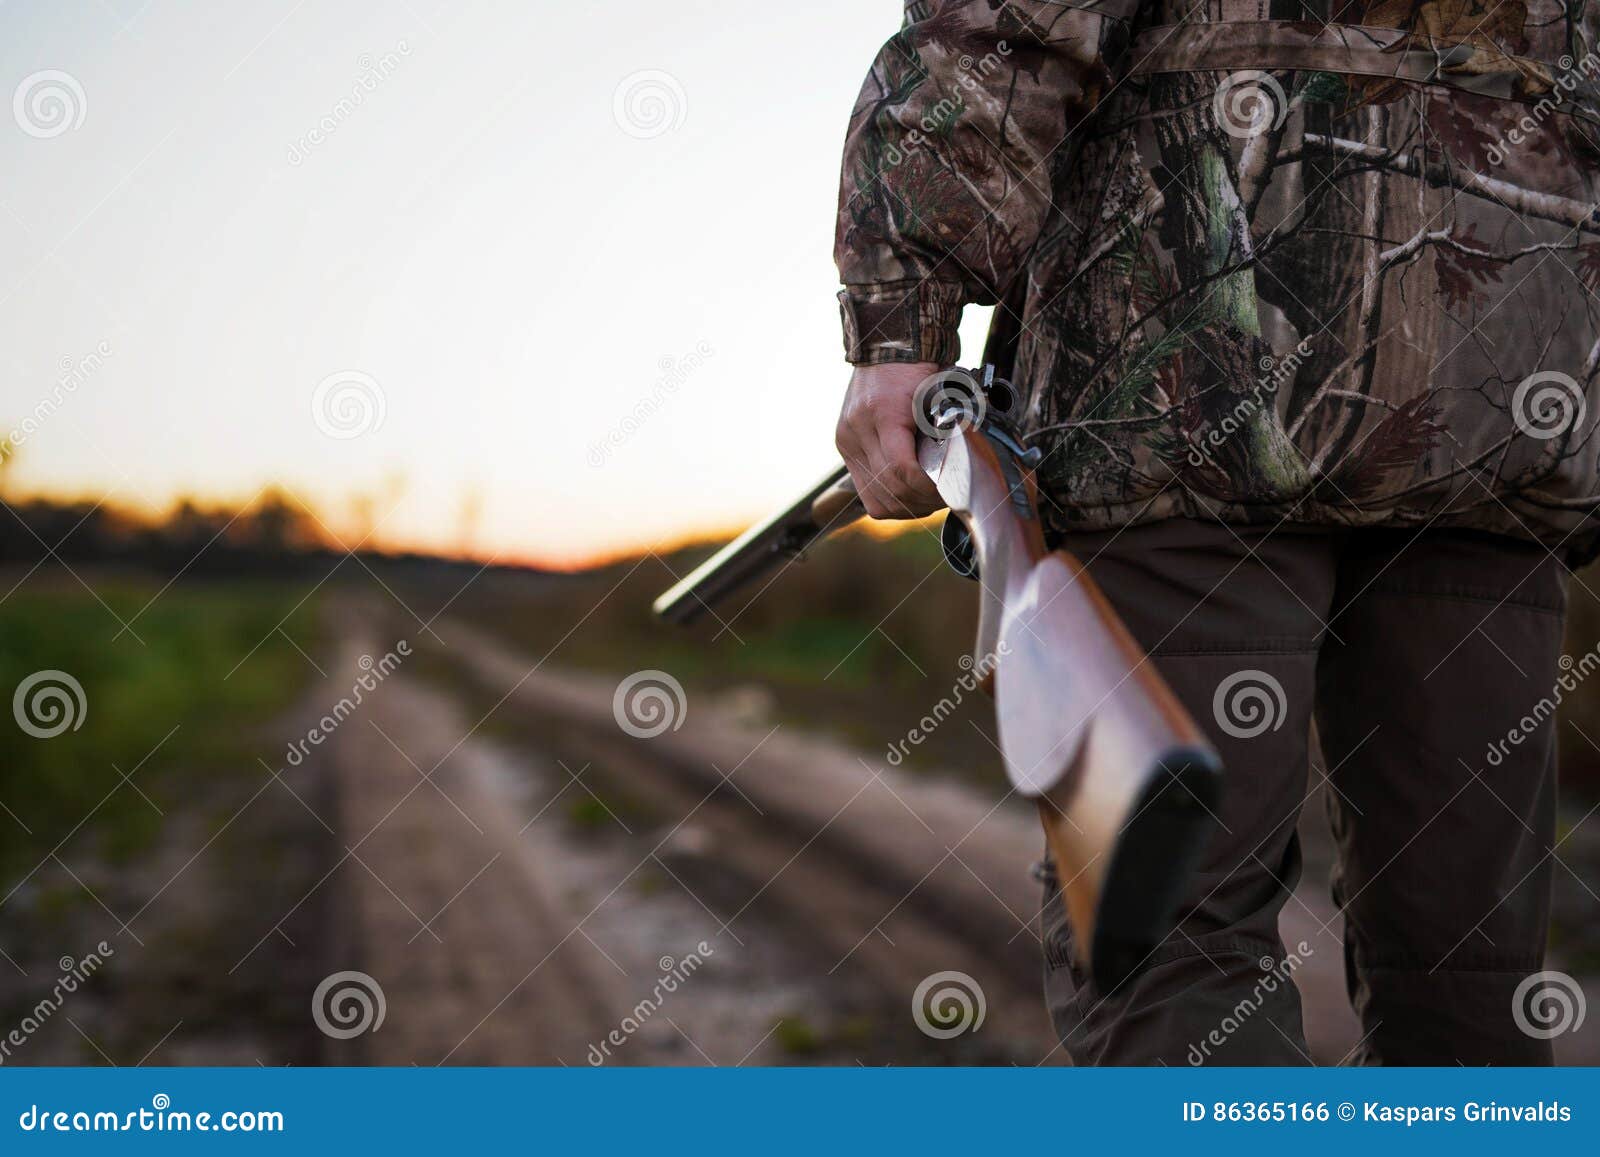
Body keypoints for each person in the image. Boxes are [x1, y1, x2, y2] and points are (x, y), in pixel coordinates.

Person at [831, 0, 1600, 1064]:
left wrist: (899, 316)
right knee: (1466, 966)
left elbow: (1006, 25)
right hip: (1505, 399)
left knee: (1165, 938)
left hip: (1179, 398)